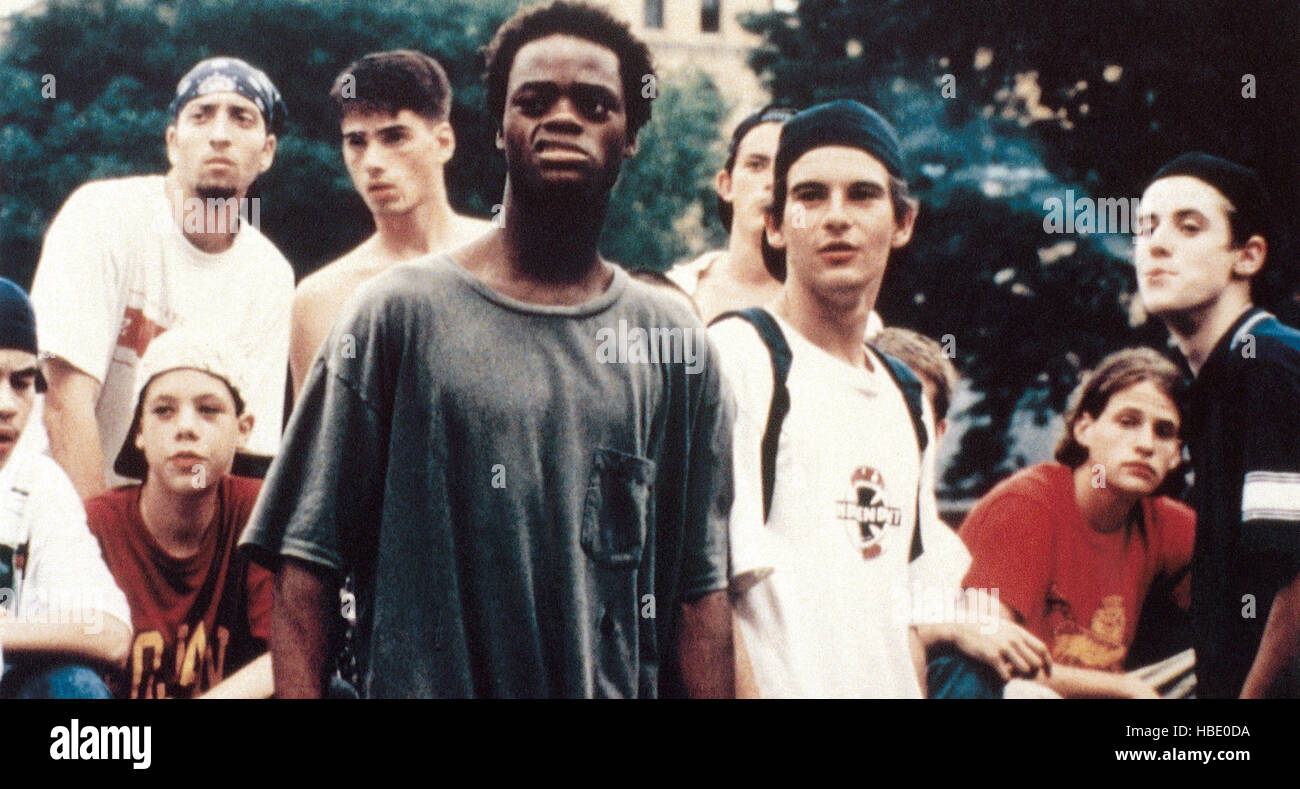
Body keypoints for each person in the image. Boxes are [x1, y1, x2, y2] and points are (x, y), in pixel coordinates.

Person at [242, 0, 735, 699]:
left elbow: (698, 598)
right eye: (533, 101)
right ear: (500, 128)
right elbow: (304, 567)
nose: (563, 118)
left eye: (595, 104)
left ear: (630, 136)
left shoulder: (673, 342)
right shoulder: (394, 316)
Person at [711, 99, 995, 697]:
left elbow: (907, 612)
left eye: (862, 195)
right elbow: (708, 600)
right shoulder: (740, 357)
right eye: (810, 196)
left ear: (903, 221)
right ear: (776, 224)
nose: (836, 217)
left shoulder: (906, 396)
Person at [30, 56, 295, 498]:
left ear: (267, 151)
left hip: (174, 527)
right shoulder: (100, 215)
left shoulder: (270, 275)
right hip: (56, 513)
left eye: (241, 117)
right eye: (202, 114)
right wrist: (95, 536)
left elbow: (245, 451)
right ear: (173, 142)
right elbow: (64, 402)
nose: (220, 134)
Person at [1135, 152, 1300, 698]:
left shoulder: (1265, 365)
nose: (1157, 244)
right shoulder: (1225, 378)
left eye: (1189, 227)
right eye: (1146, 227)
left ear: (1248, 256)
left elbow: (1296, 575)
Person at [960, 348, 1195, 698]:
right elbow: (989, 655)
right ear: (1084, 429)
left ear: (1176, 454)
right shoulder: (1027, 504)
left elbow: (1258, 592)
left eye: (1163, 431)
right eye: (1127, 422)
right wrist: (1125, 689)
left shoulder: (1162, 522)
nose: (1146, 444)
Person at [290, 50, 492, 395]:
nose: (373, 161)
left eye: (394, 137)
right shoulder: (321, 298)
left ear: (443, 142)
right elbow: (319, 429)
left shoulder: (509, 257)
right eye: (356, 141)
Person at [85, 329, 273, 699]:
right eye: (164, 411)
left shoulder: (261, 511)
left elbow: (289, 655)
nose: (185, 428)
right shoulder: (95, 525)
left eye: (208, 410)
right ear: (140, 431)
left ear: (243, 429)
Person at [0, 278, 132, 699]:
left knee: (74, 686)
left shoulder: (37, 482)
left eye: (21, 383)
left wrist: (8, 633)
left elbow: (110, 632)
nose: (6, 405)